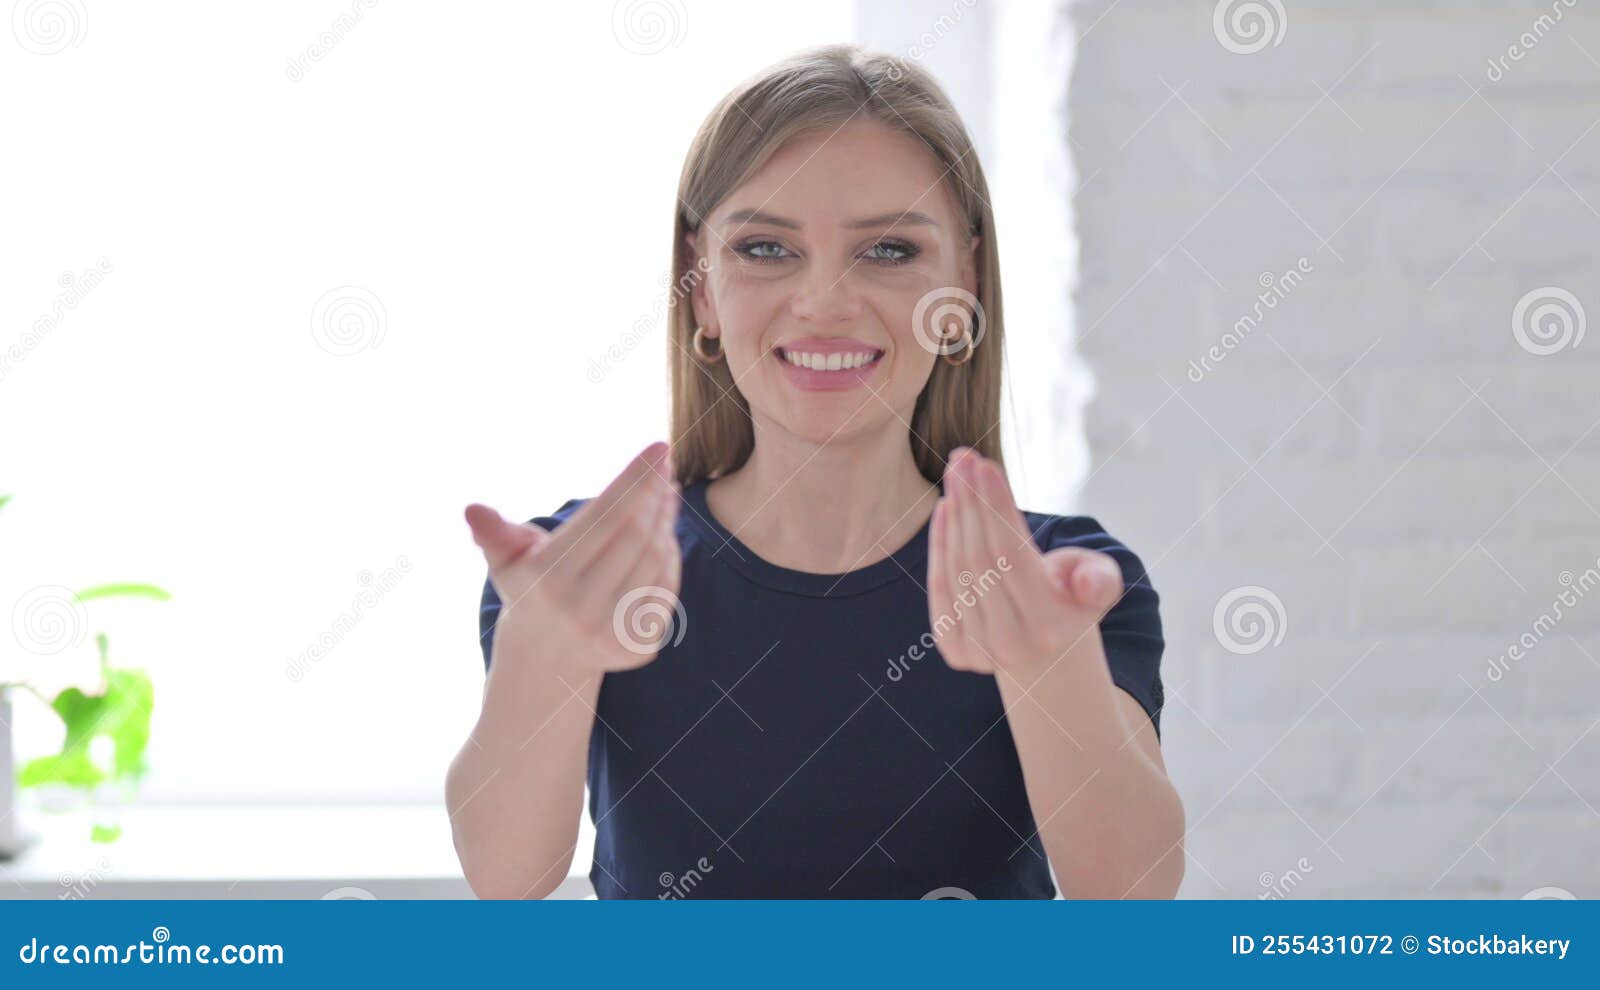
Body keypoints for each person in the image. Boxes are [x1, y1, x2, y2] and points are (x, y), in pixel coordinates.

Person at [447, 43, 1184, 900]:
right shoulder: (582, 572)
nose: (825, 301)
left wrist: (1046, 663)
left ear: (966, 280)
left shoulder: (1060, 584)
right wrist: (546, 654)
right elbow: (505, 882)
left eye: (889, 252)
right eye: (765, 248)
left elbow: (1133, 893)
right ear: (703, 289)